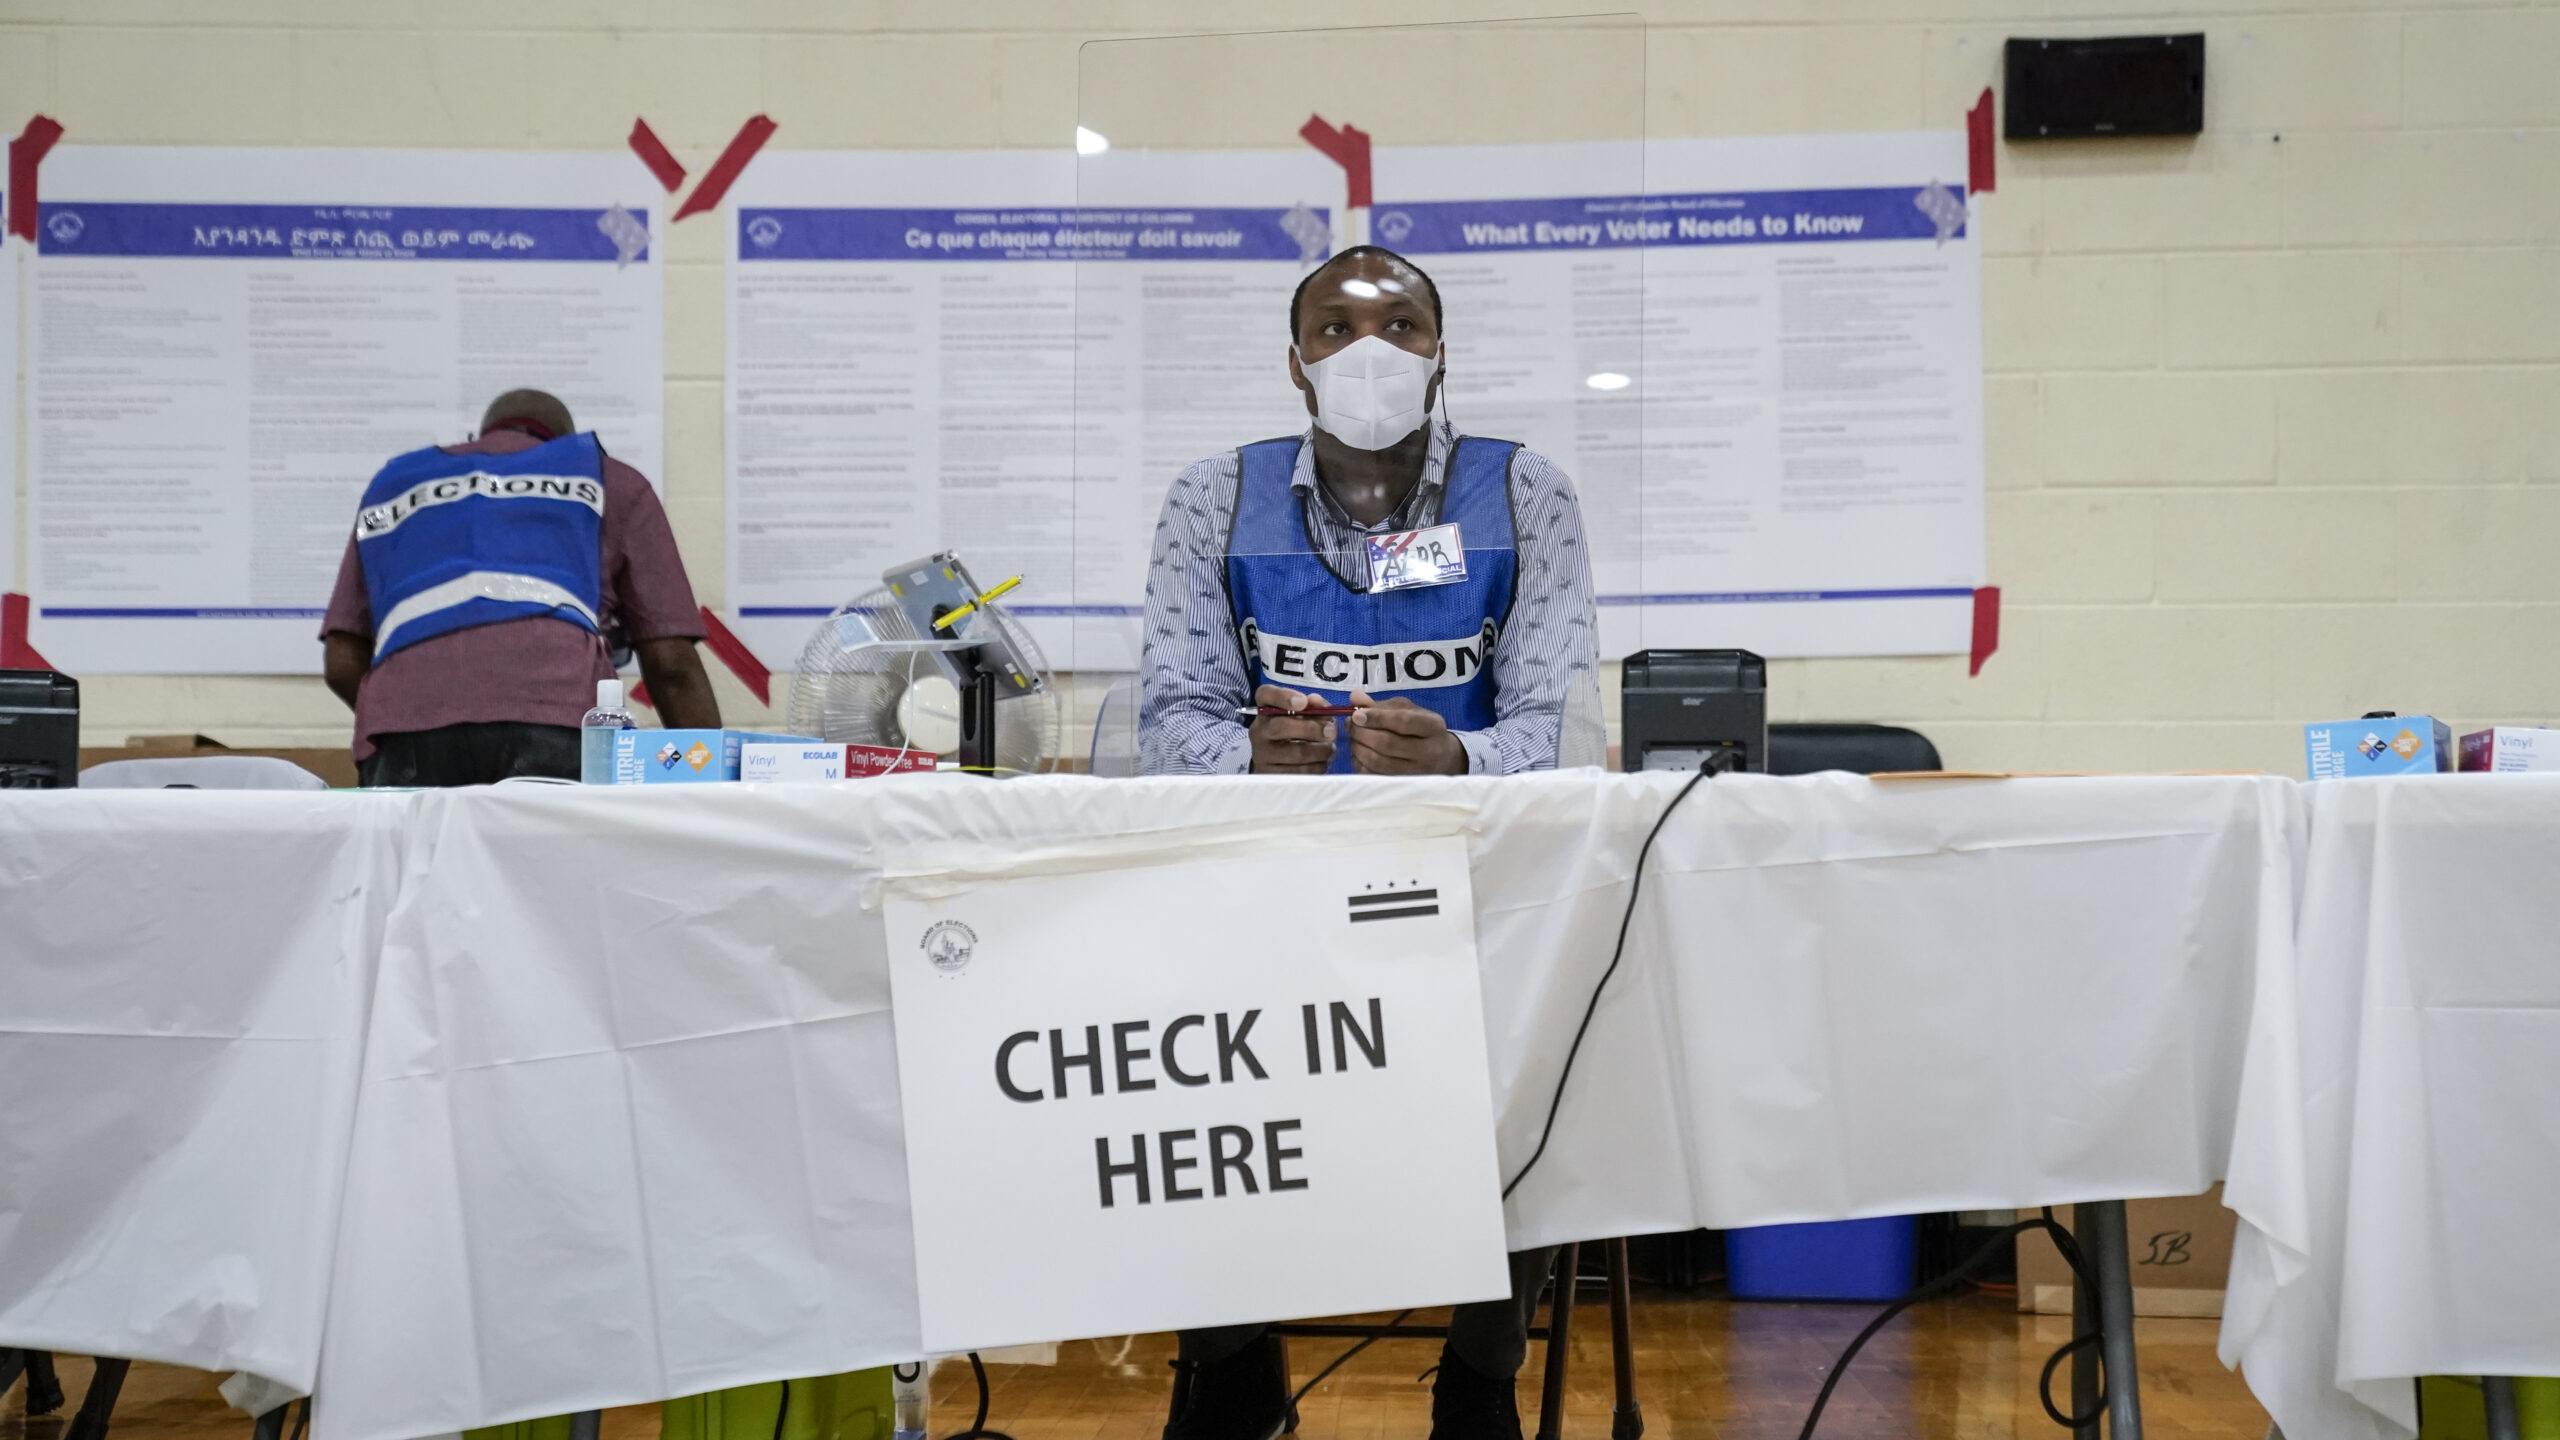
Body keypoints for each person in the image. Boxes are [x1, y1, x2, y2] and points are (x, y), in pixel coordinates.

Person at [1137, 247, 1601, 1440]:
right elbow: (1171, 715)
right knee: (1209, 1097)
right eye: (1335, 329)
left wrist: (1459, 756)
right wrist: (1248, 752)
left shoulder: (1525, 492)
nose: (1371, 351)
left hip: (1468, 882)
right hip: (1268, 888)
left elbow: (1558, 724)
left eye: (1400, 324)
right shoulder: (1211, 496)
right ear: (1293, 366)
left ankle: (1480, 1378)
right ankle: (1233, 1369)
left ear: (1441, 354)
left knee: (1534, 1079)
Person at [321, 389, 720, 786]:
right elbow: (671, 666)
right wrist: (713, 783)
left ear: (478, 437)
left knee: (419, 852)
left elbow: (341, 659)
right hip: (560, 716)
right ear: (561, 443)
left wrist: (408, 710)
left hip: (404, 723)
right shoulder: (607, 478)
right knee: (552, 851)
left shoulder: (392, 484)